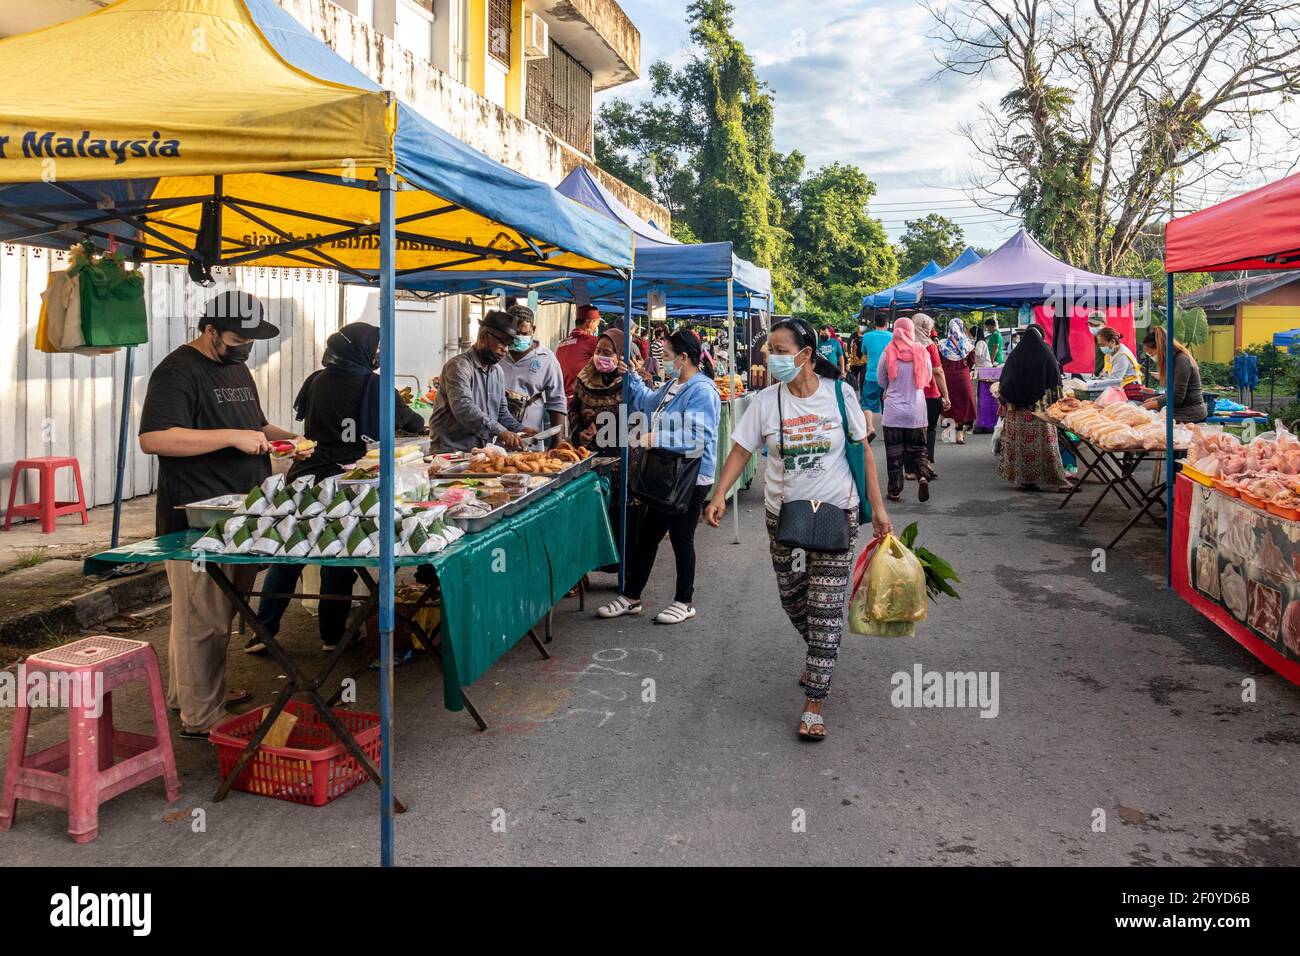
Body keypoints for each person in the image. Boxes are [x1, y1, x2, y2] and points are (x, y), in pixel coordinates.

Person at [704, 318, 890, 741]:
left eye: (779, 349)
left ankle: (815, 700)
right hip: (783, 517)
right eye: (768, 349)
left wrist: (877, 510)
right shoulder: (766, 402)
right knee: (793, 600)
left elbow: (863, 456)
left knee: (825, 609)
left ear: (805, 355)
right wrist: (719, 495)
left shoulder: (840, 395)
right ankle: (820, 653)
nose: (769, 356)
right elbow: (740, 449)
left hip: (836, 514)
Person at [138, 291, 311, 739]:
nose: (245, 346)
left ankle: (190, 694)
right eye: (238, 338)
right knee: (203, 618)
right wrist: (231, 437)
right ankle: (202, 716)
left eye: (252, 340)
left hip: (240, 509)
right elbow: (155, 439)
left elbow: (256, 426)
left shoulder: (235, 366)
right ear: (210, 330)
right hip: (196, 516)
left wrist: (296, 439)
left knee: (218, 613)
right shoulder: (177, 371)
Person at [252, 322, 424, 655]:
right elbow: (413, 423)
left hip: (303, 475)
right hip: (347, 479)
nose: (378, 354)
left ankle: (263, 630)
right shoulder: (376, 384)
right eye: (375, 348)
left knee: (290, 552)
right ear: (361, 349)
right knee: (337, 556)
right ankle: (332, 636)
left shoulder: (316, 380)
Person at [596, 329, 721, 625]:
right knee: (648, 536)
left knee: (681, 539)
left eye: (665, 356)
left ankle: (684, 600)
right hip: (667, 475)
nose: (661, 360)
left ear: (684, 357)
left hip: (691, 478)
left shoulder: (702, 390)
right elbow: (647, 403)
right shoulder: (672, 385)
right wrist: (632, 376)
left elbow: (697, 437)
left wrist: (657, 437)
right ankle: (631, 596)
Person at [428, 310, 532, 451]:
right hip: (451, 452)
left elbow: (501, 412)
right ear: (484, 337)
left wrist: (522, 430)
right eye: (502, 342)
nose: (506, 350)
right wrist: (501, 432)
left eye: (509, 345)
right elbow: (464, 407)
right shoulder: (459, 366)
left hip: (481, 452)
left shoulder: (497, 372)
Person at [996, 323, 1072, 492]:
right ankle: (1059, 481)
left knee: (1021, 447)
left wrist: (1004, 402)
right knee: (1046, 447)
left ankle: (1026, 480)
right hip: (1040, 412)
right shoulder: (1046, 355)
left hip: (1018, 414)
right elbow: (1055, 382)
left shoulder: (1015, 356)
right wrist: (1057, 405)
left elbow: (1005, 383)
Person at [878, 316, 934, 503]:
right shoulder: (922, 351)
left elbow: (881, 379)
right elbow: (927, 378)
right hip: (916, 411)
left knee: (894, 454)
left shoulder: (888, 351)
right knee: (919, 449)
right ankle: (923, 477)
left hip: (893, 411)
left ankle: (894, 490)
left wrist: (890, 388)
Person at [499, 305, 567, 438]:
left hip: (530, 434)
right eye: (515, 333)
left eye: (524, 333)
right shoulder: (498, 354)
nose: (518, 337)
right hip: (497, 433)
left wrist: (557, 440)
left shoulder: (546, 358)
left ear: (533, 329)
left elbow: (557, 401)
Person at [1142, 326, 1207, 423]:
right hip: (1180, 411)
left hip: (1190, 414)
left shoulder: (1182, 360)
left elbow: (1177, 397)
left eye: (1151, 354)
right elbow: (1172, 393)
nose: (1152, 357)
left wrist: (1150, 405)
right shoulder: (1172, 361)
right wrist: (1156, 399)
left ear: (1159, 348)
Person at [913, 314, 950, 477]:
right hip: (930, 394)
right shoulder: (929, 346)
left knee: (912, 430)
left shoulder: (902, 345)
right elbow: (938, 371)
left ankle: (910, 470)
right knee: (929, 429)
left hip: (910, 394)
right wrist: (946, 395)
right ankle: (927, 463)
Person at [937, 317, 977, 443]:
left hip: (946, 378)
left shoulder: (941, 344)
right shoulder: (968, 344)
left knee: (949, 404)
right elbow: (971, 363)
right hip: (962, 378)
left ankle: (950, 431)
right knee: (963, 404)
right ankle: (959, 434)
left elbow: (938, 363)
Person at [556, 304, 602, 399]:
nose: (596, 327)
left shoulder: (561, 343)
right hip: (581, 400)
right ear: (590, 323)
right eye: (597, 324)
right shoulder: (592, 341)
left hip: (563, 399)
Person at [858, 313, 893, 439]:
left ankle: (870, 428)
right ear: (886, 323)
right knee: (887, 404)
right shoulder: (892, 336)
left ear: (875, 324)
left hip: (871, 375)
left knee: (867, 403)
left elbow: (864, 351)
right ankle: (886, 432)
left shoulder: (867, 336)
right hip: (889, 376)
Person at [847, 316, 868, 390]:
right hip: (854, 361)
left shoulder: (867, 336)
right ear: (858, 325)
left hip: (864, 361)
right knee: (852, 380)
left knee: (863, 381)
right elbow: (848, 346)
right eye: (861, 324)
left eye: (864, 325)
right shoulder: (853, 335)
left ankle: (862, 397)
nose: (863, 326)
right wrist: (849, 358)